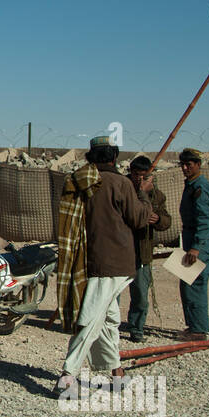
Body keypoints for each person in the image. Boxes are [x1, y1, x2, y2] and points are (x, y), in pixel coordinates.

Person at [53, 136, 155, 394]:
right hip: (115, 262)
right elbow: (139, 218)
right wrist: (143, 193)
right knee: (92, 320)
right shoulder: (120, 183)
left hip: (88, 258)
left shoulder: (81, 181)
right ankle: (68, 376)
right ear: (113, 157)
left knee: (110, 319)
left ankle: (117, 373)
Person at [124, 155, 171, 343]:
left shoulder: (156, 195)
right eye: (136, 175)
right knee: (111, 295)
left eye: (144, 176)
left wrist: (158, 220)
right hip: (120, 250)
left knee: (141, 295)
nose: (139, 180)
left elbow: (166, 220)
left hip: (142, 251)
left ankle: (136, 328)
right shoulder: (122, 189)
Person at [177, 148, 209, 341]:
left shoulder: (200, 187)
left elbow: (205, 219)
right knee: (187, 283)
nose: (185, 168)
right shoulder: (192, 184)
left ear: (198, 165)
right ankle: (193, 325)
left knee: (195, 283)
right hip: (191, 238)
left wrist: (196, 247)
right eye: (182, 165)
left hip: (197, 241)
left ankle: (199, 331)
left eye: (189, 165)